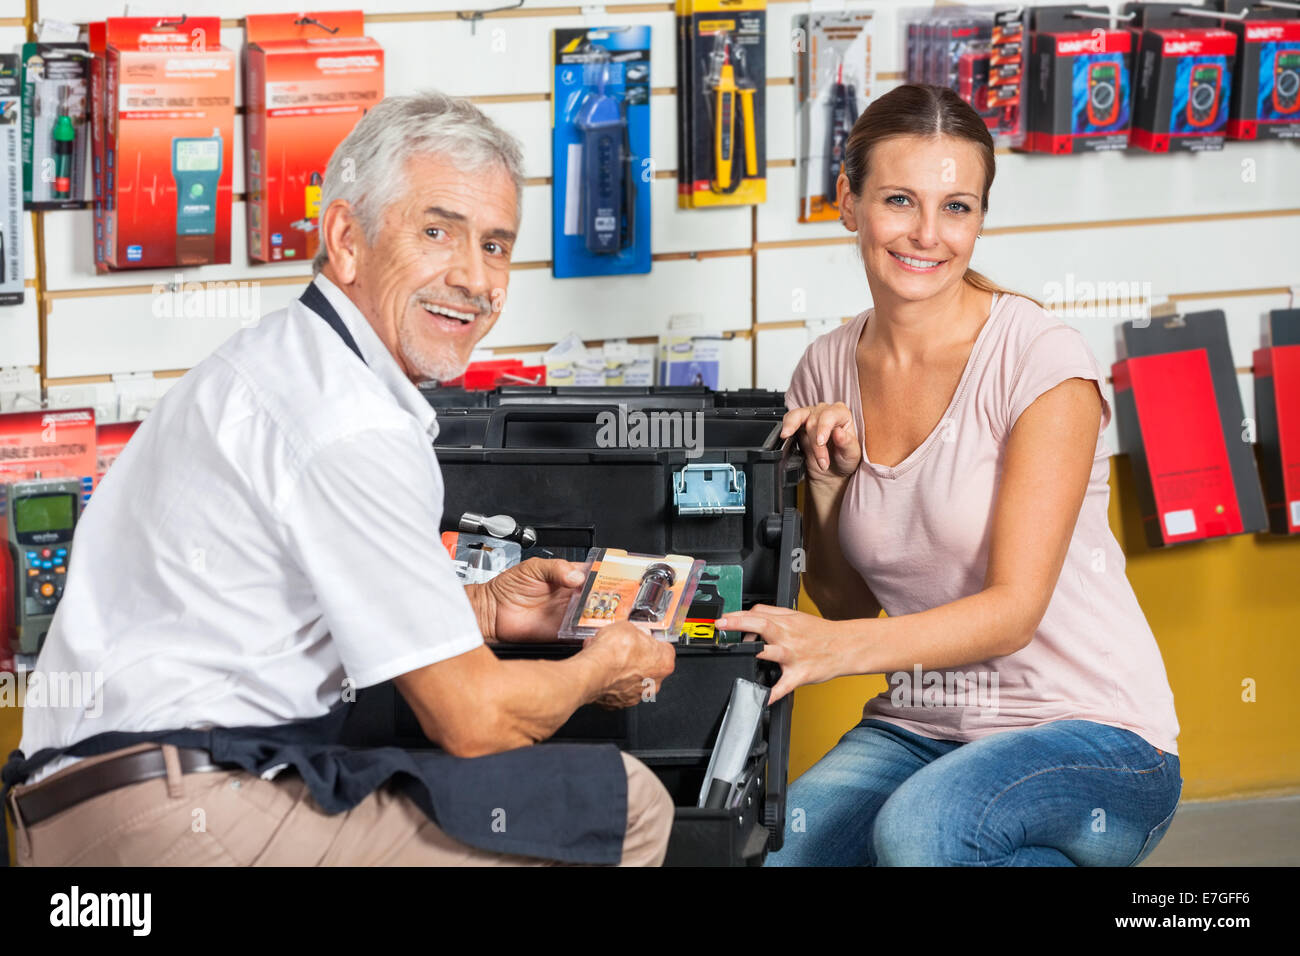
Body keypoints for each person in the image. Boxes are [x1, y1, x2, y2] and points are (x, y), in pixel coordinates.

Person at [4, 91, 677, 867]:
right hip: (174, 816)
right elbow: (472, 718)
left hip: (81, 811)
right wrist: (602, 668)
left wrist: (482, 612)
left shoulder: (277, 363)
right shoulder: (351, 423)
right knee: (625, 807)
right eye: (436, 231)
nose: (473, 277)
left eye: (496, 246)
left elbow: (258, 613)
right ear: (346, 239)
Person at [718, 85, 1182, 867]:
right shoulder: (825, 367)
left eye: (957, 207)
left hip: (1093, 738)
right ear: (848, 202)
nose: (928, 235)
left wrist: (832, 650)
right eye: (899, 200)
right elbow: (844, 599)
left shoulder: (1040, 363)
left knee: (921, 833)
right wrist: (829, 482)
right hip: (925, 724)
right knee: (780, 852)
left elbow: (1010, 615)